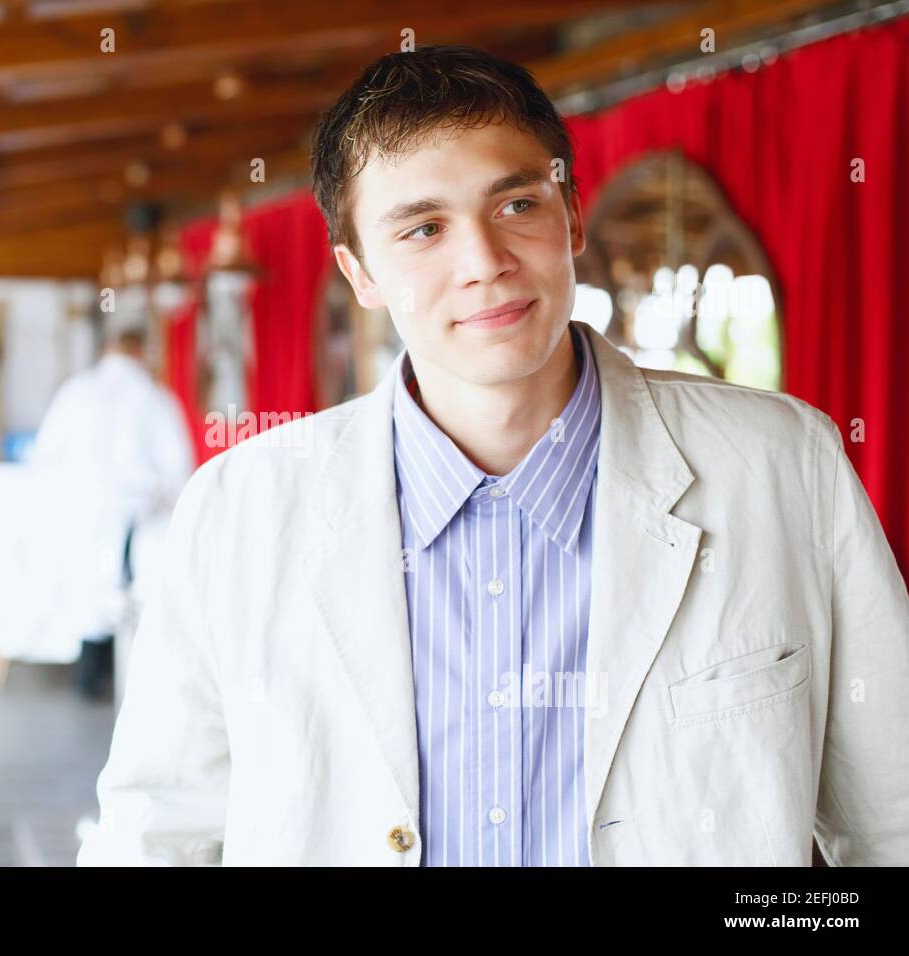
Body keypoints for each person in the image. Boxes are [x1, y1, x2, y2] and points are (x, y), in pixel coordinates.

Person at [77, 45, 909, 866]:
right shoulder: (239, 510)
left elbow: (892, 822)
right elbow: (156, 837)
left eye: (516, 206)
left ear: (572, 215)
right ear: (359, 274)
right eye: (424, 229)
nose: (483, 263)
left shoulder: (783, 465)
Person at [30, 322, 195, 700]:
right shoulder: (154, 397)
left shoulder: (75, 391)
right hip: (132, 520)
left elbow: (44, 454)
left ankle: (88, 677)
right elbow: (179, 467)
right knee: (122, 603)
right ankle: (118, 682)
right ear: (140, 354)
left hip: (75, 513)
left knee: (86, 596)